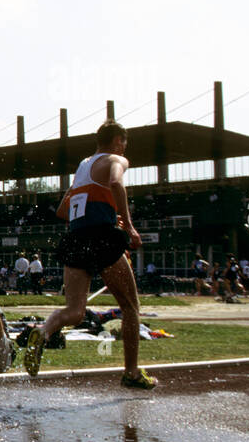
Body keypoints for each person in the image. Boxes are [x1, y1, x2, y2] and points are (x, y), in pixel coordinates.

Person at [24, 121, 154, 389]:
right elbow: (117, 183)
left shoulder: (82, 167)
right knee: (130, 307)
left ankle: (42, 332)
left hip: (76, 238)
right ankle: (131, 373)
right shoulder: (116, 158)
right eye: (124, 143)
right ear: (118, 140)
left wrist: (99, 208)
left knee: (75, 310)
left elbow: (62, 210)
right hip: (102, 238)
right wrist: (127, 225)